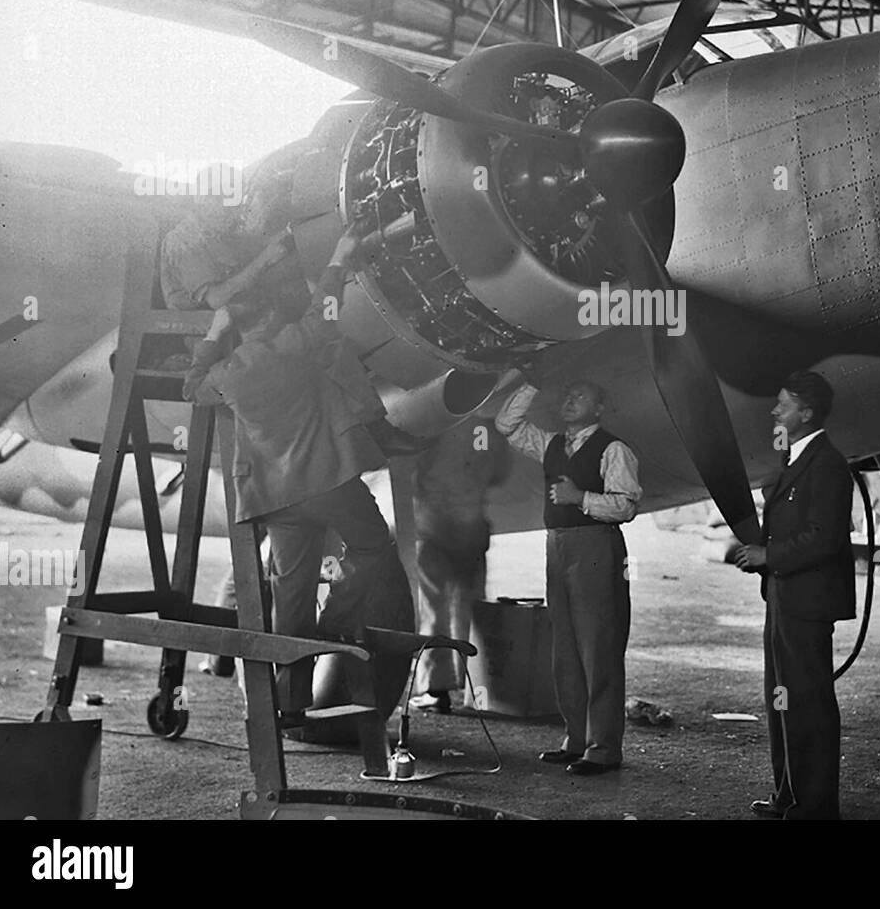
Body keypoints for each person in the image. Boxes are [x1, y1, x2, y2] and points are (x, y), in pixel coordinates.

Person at [182, 224, 399, 717]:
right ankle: (336, 625)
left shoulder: (229, 373)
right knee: (373, 546)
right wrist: (340, 256)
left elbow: (190, 388)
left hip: (275, 498)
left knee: (291, 597)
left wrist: (213, 338)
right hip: (327, 480)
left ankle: (290, 709)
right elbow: (326, 305)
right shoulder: (293, 344)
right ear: (271, 319)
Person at [494, 378, 640, 776]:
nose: (569, 399)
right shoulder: (552, 444)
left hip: (596, 546)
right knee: (566, 650)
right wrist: (531, 384)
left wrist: (581, 499)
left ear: (600, 407)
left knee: (598, 648)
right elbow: (507, 425)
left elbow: (626, 506)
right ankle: (576, 739)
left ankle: (604, 747)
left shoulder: (614, 450)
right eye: (567, 393)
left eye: (580, 396)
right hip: (557, 546)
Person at [736, 370, 854, 820]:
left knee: (807, 703)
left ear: (805, 413)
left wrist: (769, 554)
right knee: (783, 699)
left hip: (807, 602)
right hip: (787, 595)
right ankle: (790, 797)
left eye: (782, 405)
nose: (773, 411)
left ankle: (816, 807)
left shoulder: (826, 464)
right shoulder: (798, 457)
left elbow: (825, 538)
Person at [407, 420, 510, 713]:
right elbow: (501, 473)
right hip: (472, 531)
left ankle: (436, 689)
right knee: (471, 608)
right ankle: (476, 686)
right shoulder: (488, 430)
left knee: (434, 610)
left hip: (434, 530)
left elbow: (412, 472)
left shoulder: (432, 422)